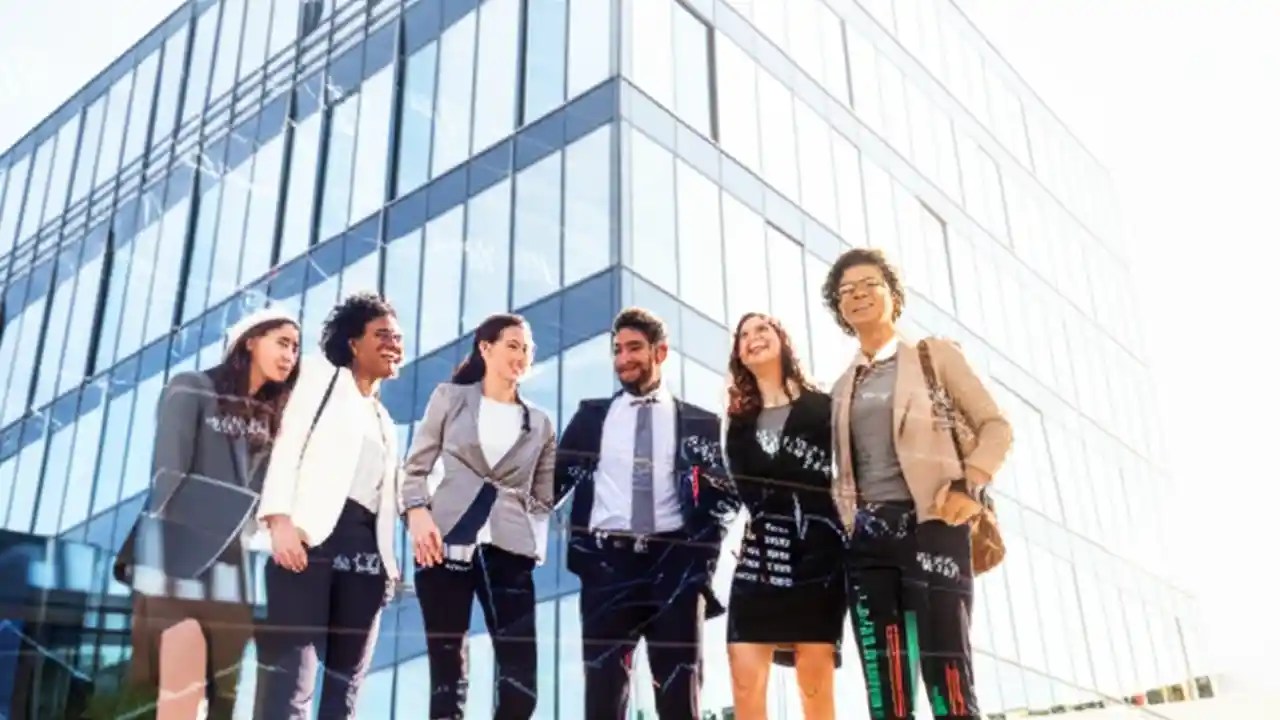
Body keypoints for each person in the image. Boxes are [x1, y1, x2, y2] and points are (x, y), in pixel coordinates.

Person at [822, 248, 1012, 720]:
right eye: (846, 291)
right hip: (867, 543)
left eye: (870, 284)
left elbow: (996, 426)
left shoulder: (934, 356)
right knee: (886, 693)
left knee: (947, 674)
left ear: (893, 294)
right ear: (839, 308)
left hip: (933, 526)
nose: (858, 295)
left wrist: (970, 487)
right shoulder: (841, 387)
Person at [113, 307, 300, 719]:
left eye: (296, 348)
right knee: (179, 687)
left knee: (221, 699)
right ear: (250, 340)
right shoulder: (191, 388)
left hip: (233, 568)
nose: (290, 355)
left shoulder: (275, 421)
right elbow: (167, 476)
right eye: (282, 342)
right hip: (178, 556)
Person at [555, 307, 739, 720]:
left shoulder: (699, 423)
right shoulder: (591, 418)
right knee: (603, 701)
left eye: (634, 348)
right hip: (606, 567)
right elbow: (549, 487)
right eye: (617, 350)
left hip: (674, 566)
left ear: (661, 351)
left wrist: (699, 560)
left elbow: (725, 497)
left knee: (680, 700)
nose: (623, 359)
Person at [255, 292, 405, 719]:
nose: (394, 343)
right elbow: (286, 446)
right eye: (382, 335)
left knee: (344, 691)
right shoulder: (320, 381)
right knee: (290, 680)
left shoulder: (385, 422)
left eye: (398, 337)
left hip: (366, 556)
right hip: (311, 541)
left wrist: (388, 568)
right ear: (354, 343)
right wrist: (279, 520)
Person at [400, 313, 556, 720]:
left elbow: (544, 499)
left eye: (527, 348)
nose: (522, 356)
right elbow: (415, 468)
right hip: (442, 544)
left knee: (522, 683)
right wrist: (416, 512)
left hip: (509, 551)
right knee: (448, 680)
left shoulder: (540, 423)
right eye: (513, 345)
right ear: (486, 348)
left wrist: (530, 542)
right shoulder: (450, 399)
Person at [723, 312, 845, 720]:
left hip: (818, 554)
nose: (753, 338)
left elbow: (847, 473)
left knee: (814, 687)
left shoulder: (822, 407)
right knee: (743, 676)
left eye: (762, 329)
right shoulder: (738, 422)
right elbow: (742, 489)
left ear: (782, 340)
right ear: (739, 353)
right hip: (760, 552)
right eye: (743, 335)